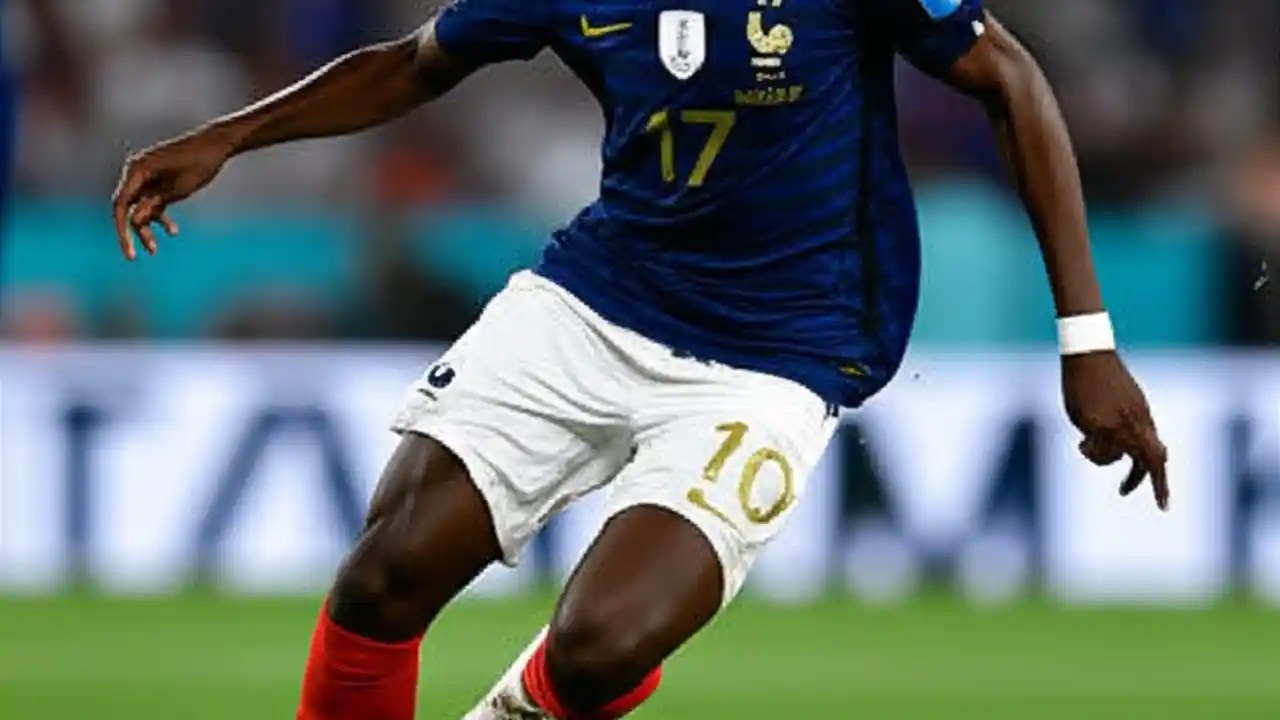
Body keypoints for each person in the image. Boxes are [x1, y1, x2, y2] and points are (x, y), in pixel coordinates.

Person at [110, 1, 1170, 718]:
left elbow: (1010, 79)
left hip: (777, 351)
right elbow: (416, 62)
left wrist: (1086, 343)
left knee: (601, 643)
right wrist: (228, 136)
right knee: (384, 574)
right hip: (596, 299)